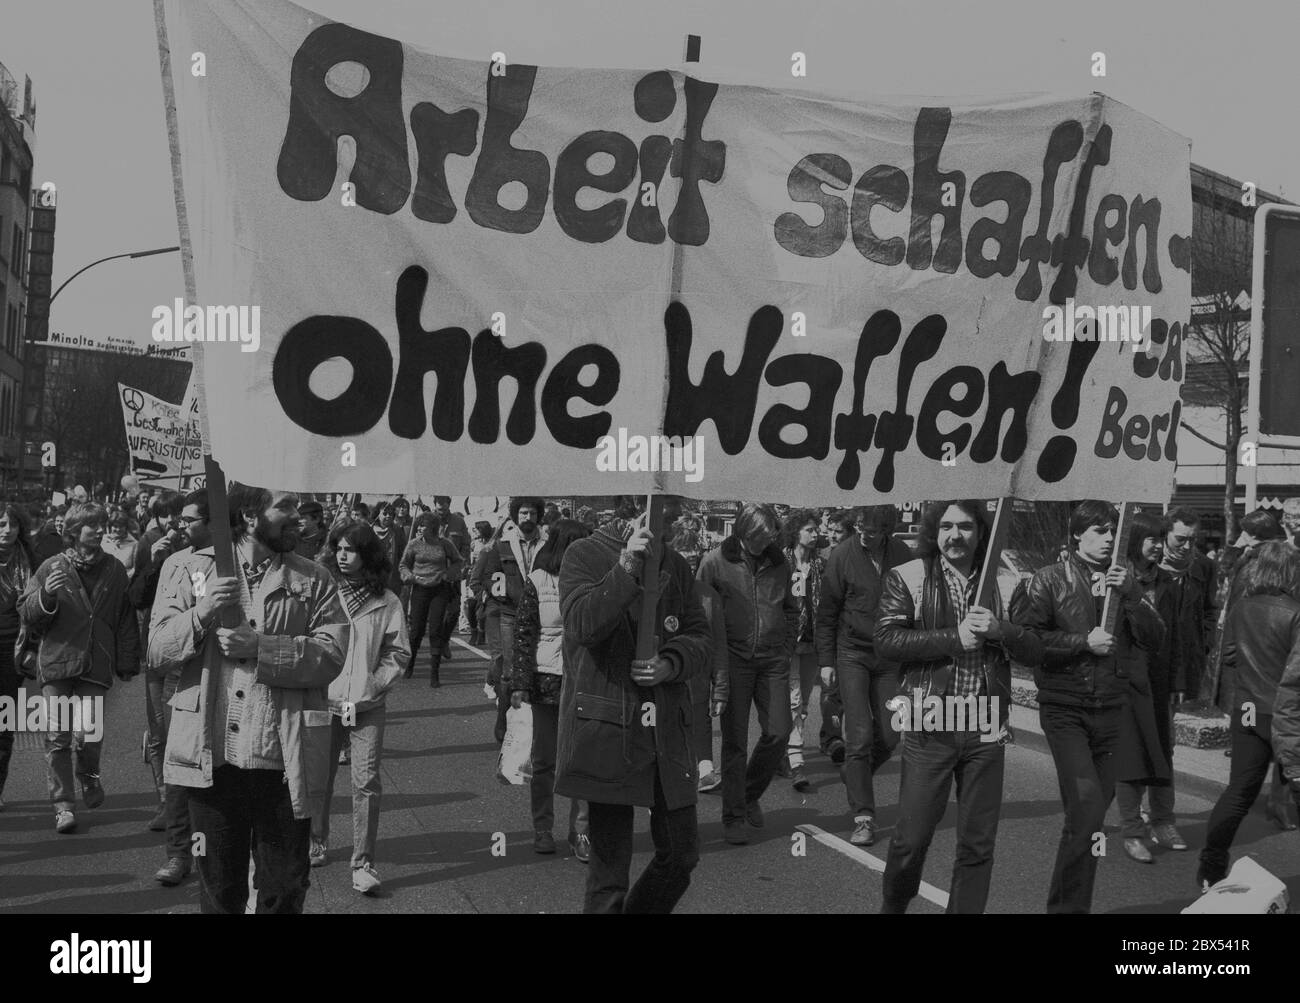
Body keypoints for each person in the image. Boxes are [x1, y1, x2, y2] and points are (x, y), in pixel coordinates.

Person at [148, 482, 348, 914]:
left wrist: (261, 646)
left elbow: (332, 655)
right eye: (286, 506)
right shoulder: (186, 569)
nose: (299, 515)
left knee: (285, 889)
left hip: (283, 762)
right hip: (211, 764)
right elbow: (158, 652)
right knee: (219, 891)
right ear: (252, 517)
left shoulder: (314, 578)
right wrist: (201, 613)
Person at [876, 500, 1042, 913]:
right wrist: (954, 637)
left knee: (978, 843)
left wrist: (1000, 630)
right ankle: (893, 907)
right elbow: (886, 641)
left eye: (966, 527)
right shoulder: (909, 577)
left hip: (986, 725)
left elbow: (1035, 647)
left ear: (981, 532)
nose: (955, 535)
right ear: (934, 531)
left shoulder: (1005, 582)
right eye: (947, 526)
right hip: (931, 721)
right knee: (910, 840)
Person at [555, 497, 711, 913]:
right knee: (609, 874)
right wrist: (625, 568)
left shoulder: (675, 563)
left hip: (666, 731)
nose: (677, 521)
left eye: (677, 515)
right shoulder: (584, 553)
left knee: (682, 854)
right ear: (638, 509)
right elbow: (582, 625)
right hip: (610, 725)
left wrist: (671, 662)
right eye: (670, 514)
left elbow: (699, 635)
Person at [1017, 500, 1164, 913]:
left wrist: (1133, 594)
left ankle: (1070, 905)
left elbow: (1156, 639)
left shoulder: (1126, 582)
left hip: (1113, 711)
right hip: (1066, 709)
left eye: (1112, 533)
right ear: (1077, 534)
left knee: (1091, 818)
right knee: (1085, 807)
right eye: (1098, 531)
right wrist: (1083, 643)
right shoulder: (1048, 580)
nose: (1106, 540)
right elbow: (1026, 643)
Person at [19, 502, 139, 834]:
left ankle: (88, 776)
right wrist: (46, 595)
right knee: (57, 737)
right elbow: (28, 614)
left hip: (96, 661)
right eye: (92, 525)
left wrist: (128, 660)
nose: (100, 529)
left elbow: (125, 617)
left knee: (88, 733)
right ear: (74, 531)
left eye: (102, 523)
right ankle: (63, 806)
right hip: (57, 660)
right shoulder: (51, 566)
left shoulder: (114, 569)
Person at [311, 522, 409, 894]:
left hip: (366, 705)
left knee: (366, 783)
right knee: (317, 778)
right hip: (324, 700)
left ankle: (364, 862)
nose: (341, 555)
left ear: (367, 556)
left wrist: (373, 685)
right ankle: (315, 841)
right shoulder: (322, 592)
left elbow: (398, 652)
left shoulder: (388, 601)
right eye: (338, 547)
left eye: (350, 549)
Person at [1198, 542, 1300, 890]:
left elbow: (1227, 655)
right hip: (1287, 714)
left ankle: (1210, 870)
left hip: (1247, 709)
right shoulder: (1295, 612)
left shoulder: (1243, 606)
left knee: (1238, 792)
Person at [696, 503, 797, 846]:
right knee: (735, 742)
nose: (764, 541)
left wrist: (786, 647)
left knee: (779, 731)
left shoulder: (780, 562)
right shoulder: (714, 562)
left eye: (769, 534)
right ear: (743, 531)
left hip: (772, 659)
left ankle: (749, 793)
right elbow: (701, 612)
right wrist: (711, 664)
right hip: (734, 659)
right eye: (758, 535)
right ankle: (733, 816)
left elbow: (791, 609)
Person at [815, 504, 912, 846]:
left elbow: (916, 605)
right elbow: (826, 613)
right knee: (858, 735)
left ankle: (854, 773)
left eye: (871, 529)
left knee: (889, 734)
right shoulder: (841, 556)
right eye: (859, 528)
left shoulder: (904, 554)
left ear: (886, 529)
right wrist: (826, 661)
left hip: (890, 654)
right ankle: (864, 817)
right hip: (852, 653)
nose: (864, 535)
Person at [510, 518, 592, 859]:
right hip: (547, 678)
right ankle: (543, 829)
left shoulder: (592, 580)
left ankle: (581, 832)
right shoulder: (538, 580)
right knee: (544, 762)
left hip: (583, 679)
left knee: (582, 762)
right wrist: (519, 684)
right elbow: (524, 632)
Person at [145, 488, 213, 886]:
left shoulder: (236, 561)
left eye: (191, 520)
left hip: (216, 675)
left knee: (212, 777)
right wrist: (155, 565)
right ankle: (177, 854)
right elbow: (144, 607)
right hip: (175, 673)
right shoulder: (175, 561)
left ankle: (204, 852)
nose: (182, 526)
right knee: (178, 766)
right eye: (181, 519)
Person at [1111, 511, 1178, 863]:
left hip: (1160, 678)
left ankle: (1164, 821)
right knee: (1131, 756)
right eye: (1151, 538)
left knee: (1164, 750)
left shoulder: (1168, 581)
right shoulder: (1113, 581)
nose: (1157, 545)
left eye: (1160, 538)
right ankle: (1132, 830)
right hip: (1125, 679)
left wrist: (1183, 680)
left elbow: (1179, 634)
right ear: (1134, 540)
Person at [130, 490, 188, 830]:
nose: (173, 524)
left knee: (184, 726)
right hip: (156, 648)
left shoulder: (200, 547)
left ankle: (186, 801)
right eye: (166, 517)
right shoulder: (149, 542)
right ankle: (165, 800)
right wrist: (154, 561)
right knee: (158, 730)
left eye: (179, 517)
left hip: (189, 647)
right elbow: (136, 596)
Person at [477, 498, 546, 742]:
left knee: (538, 668)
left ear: (539, 516)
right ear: (516, 516)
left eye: (533, 513)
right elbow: (489, 575)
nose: (528, 517)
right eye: (524, 513)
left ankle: (533, 726)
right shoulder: (501, 545)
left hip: (541, 614)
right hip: (510, 614)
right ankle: (503, 723)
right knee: (508, 672)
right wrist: (502, 595)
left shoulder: (547, 543)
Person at [782, 509, 828, 792]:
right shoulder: (782, 563)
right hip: (788, 641)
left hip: (813, 640)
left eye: (816, 530)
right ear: (796, 531)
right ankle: (795, 759)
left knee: (805, 700)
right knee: (793, 697)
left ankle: (783, 750)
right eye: (809, 529)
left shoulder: (822, 565)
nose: (815, 534)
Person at [1159, 507, 1217, 702]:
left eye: (1192, 540)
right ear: (1165, 535)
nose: (1186, 546)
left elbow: (1210, 609)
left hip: (1190, 653)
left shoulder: (1204, 566)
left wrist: (1205, 643)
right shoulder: (1150, 561)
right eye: (1180, 539)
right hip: (1158, 653)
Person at [398, 511, 463, 686]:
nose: (419, 528)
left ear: (432, 528)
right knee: (416, 630)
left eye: (423, 526)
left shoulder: (445, 544)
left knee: (435, 629)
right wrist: (409, 576)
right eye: (418, 525)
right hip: (419, 589)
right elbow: (403, 564)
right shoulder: (413, 544)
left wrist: (447, 575)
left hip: (439, 590)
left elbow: (458, 561)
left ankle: (435, 673)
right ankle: (410, 665)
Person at [0, 504, 35, 810]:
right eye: (0, 524)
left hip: (13, 648)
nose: (5, 530)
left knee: (3, 722)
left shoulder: (29, 559)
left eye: (11, 525)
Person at [369, 501, 409, 604]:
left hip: (392, 577)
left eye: (391, 514)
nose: (388, 516)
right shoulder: (369, 530)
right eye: (385, 513)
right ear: (377, 514)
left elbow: (403, 554)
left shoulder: (397, 531)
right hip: (373, 575)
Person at [464, 520, 493, 646]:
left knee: (482, 608)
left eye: (476, 529)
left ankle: (481, 633)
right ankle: (474, 631)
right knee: (470, 606)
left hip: (486, 578)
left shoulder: (491, 545)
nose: (474, 531)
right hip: (472, 576)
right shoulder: (473, 543)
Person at [102, 510, 141, 578]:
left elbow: (135, 568)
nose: (118, 529)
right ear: (110, 527)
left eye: (121, 526)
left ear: (126, 527)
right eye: (115, 526)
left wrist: (123, 579)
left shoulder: (134, 544)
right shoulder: (103, 542)